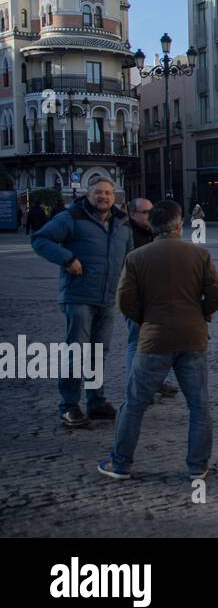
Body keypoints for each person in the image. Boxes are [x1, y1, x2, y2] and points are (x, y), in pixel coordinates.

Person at [97, 200, 218, 482]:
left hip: (154, 337)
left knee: (134, 403)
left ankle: (120, 463)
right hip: (193, 336)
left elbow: (124, 300)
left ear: (152, 227)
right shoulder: (199, 255)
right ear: (179, 225)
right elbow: (216, 296)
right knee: (198, 404)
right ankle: (197, 465)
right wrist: (200, 314)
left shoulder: (137, 257)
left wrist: (145, 318)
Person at [32, 175, 132, 428]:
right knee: (76, 351)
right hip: (78, 296)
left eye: (108, 193)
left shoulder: (122, 222)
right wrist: (67, 259)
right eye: (98, 192)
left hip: (108, 299)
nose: (103, 197)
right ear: (88, 194)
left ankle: (96, 401)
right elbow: (40, 239)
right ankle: (69, 406)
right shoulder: (72, 217)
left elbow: (131, 258)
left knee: (99, 352)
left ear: (115, 196)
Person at [124, 198, 179, 400]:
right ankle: (135, 386)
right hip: (138, 295)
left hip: (158, 295)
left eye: (151, 211)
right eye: (145, 212)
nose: (150, 215)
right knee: (136, 341)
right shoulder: (126, 234)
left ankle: (153, 381)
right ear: (132, 214)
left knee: (158, 342)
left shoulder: (153, 232)